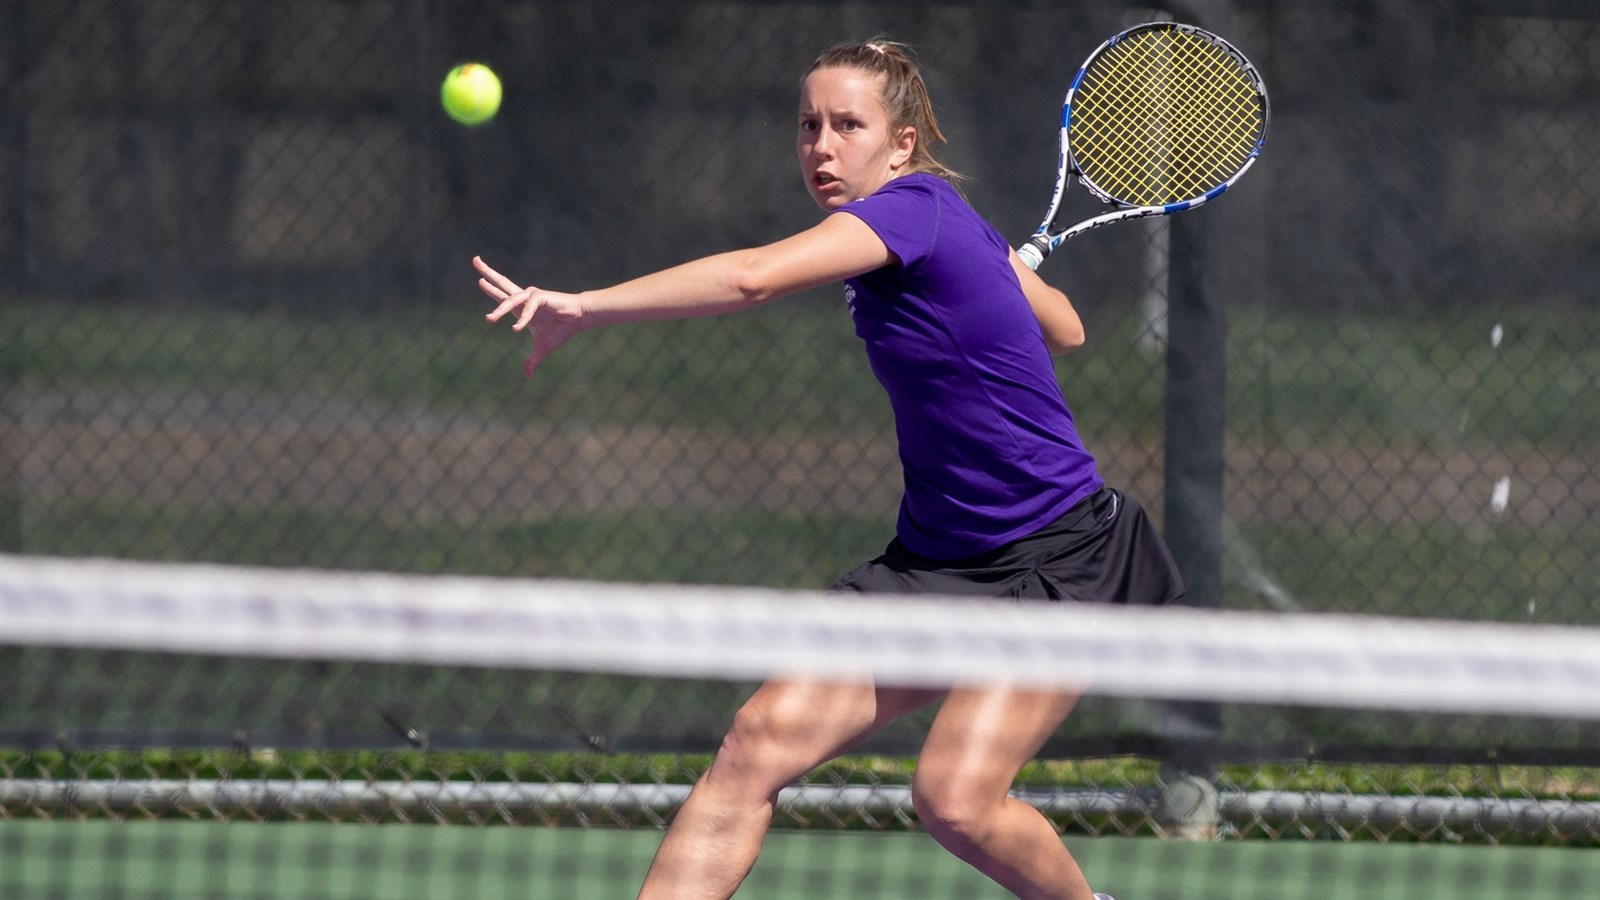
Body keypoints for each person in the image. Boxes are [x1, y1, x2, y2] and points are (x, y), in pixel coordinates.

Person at [476, 38, 1182, 900]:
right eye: (809, 125)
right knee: (755, 745)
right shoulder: (938, 221)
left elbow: (751, 280)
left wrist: (585, 306)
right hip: (936, 562)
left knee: (956, 801)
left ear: (902, 143)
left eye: (848, 125)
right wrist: (1002, 271)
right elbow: (1064, 325)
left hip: (1061, 559)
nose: (821, 145)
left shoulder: (913, 213)